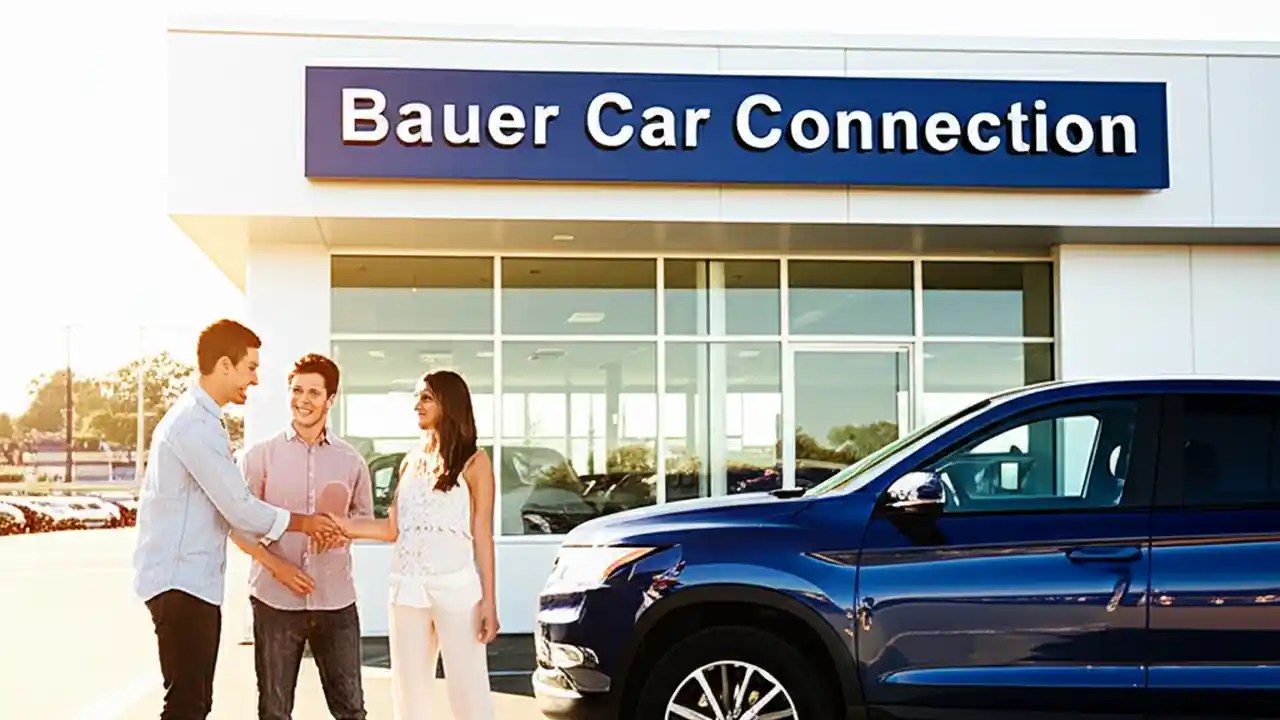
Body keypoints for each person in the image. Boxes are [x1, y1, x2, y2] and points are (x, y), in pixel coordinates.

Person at [132, 319, 346, 720]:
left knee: (193, 703)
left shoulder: (202, 419)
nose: (255, 378)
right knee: (186, 706)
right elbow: (240, 507)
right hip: (181, 584)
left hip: (190, 584)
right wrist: (307, 523)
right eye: (251, 367)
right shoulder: (193, 425)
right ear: (226, 365)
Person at [339, 369, 498, 720]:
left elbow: (482, 533)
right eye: (417, 397)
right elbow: (392, 528)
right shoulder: (410, 462)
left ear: (449, 403)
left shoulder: (475, 462)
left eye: (426, 397)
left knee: (468, 691)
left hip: (457, 589)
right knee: (409, 694)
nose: (417, 404)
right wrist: (342, 526)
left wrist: (489, 601)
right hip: (406, 589)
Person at [230, 353, 373, 720]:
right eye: (296, 390)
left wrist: (342, 533)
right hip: (275, 602)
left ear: (331, 399)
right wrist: (277, 566)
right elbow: (238, 526)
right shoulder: (260, 456)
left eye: (313, 392)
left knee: (352, 711)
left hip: (336, 602)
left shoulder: (351, 461)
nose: (303, 400)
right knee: (275, 712)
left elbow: (363, 520)